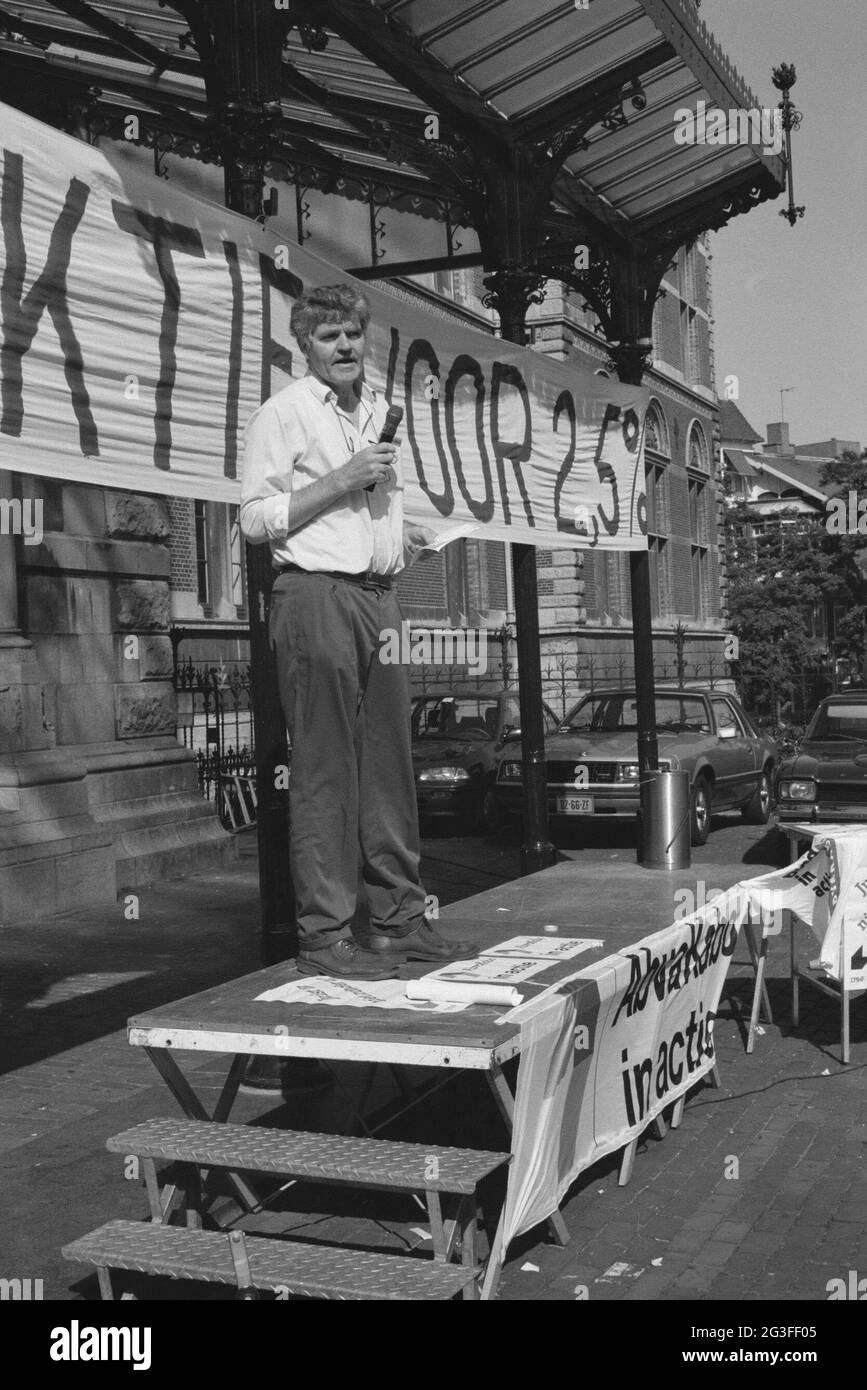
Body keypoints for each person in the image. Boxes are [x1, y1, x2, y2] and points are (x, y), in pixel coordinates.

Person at [240, 284, 478, 979]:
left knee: (389, 766)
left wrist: (403, 537)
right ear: (304, 346)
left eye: (352, 335)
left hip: (379, 595)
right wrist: (345, 479)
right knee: (324, 766)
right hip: (315, 597)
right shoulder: (281, 414)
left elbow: (361, 524)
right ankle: (323, 935)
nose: (344, 347)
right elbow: (254, 520)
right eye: (328, 337)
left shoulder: (376, 411)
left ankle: (400, 920)